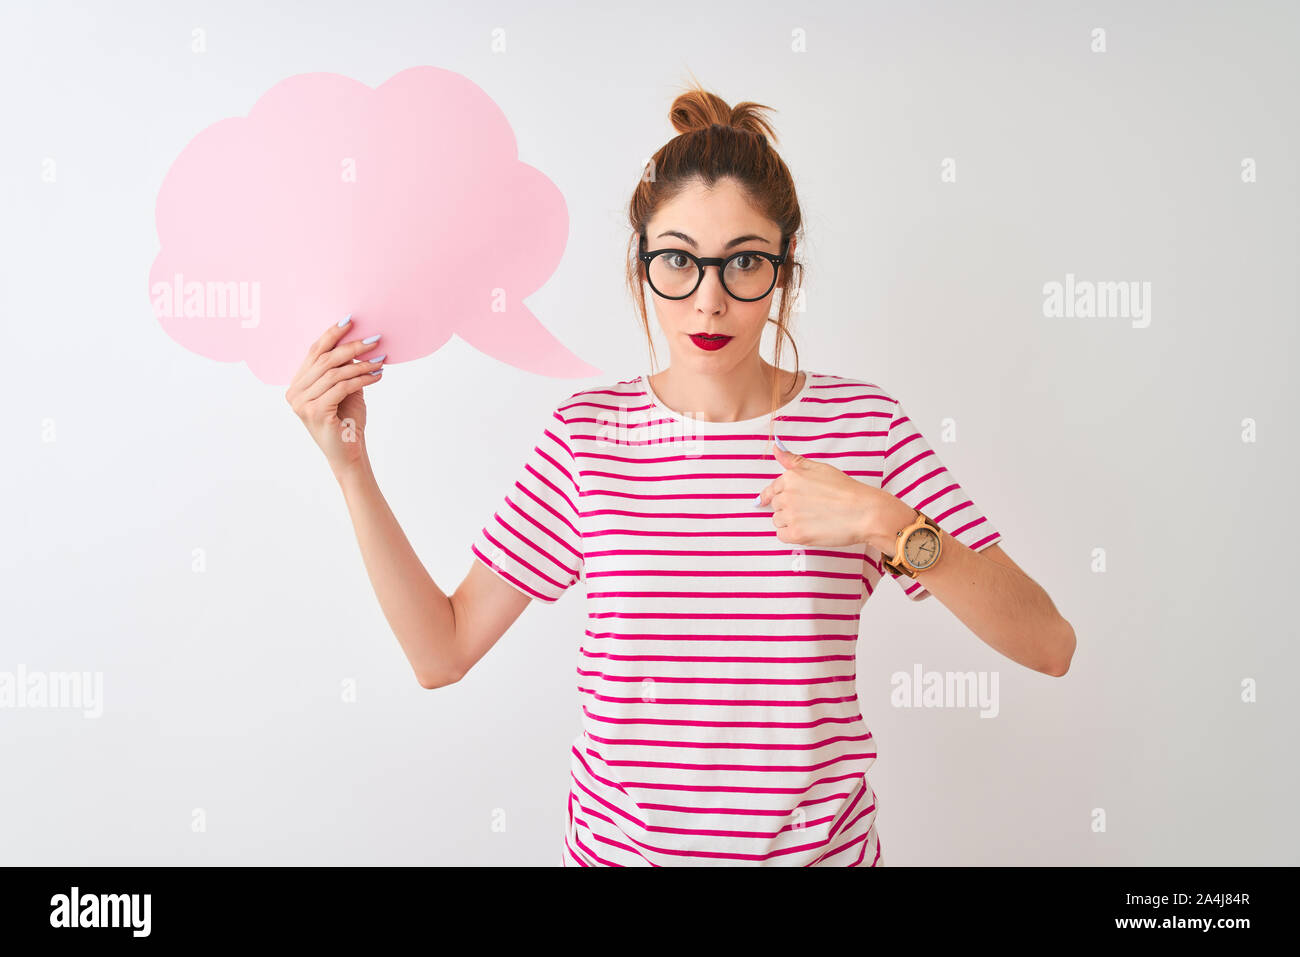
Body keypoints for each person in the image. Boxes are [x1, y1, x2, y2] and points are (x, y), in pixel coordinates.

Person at [286, 83, 1076, 867]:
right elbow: (442, 652)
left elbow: (1047, 641)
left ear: (785, 266)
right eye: (678, 261)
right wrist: (350, 466)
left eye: (743, 263)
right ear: (642, 265)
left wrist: (887, 524)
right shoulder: (587, 438)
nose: (709, 301)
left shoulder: (864, 429)